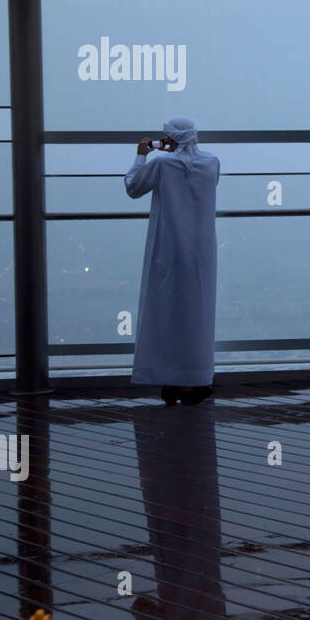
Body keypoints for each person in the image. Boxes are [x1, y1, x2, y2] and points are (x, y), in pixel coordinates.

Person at [124, 116, 220, 406]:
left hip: (168, 249)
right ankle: (194, 380)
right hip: (202, 252)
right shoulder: (211, 163)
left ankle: (169, 379)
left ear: (171, 139)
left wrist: (142, 156)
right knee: (197, 316)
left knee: (166, 315)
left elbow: (133, 187)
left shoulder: (162, 165)